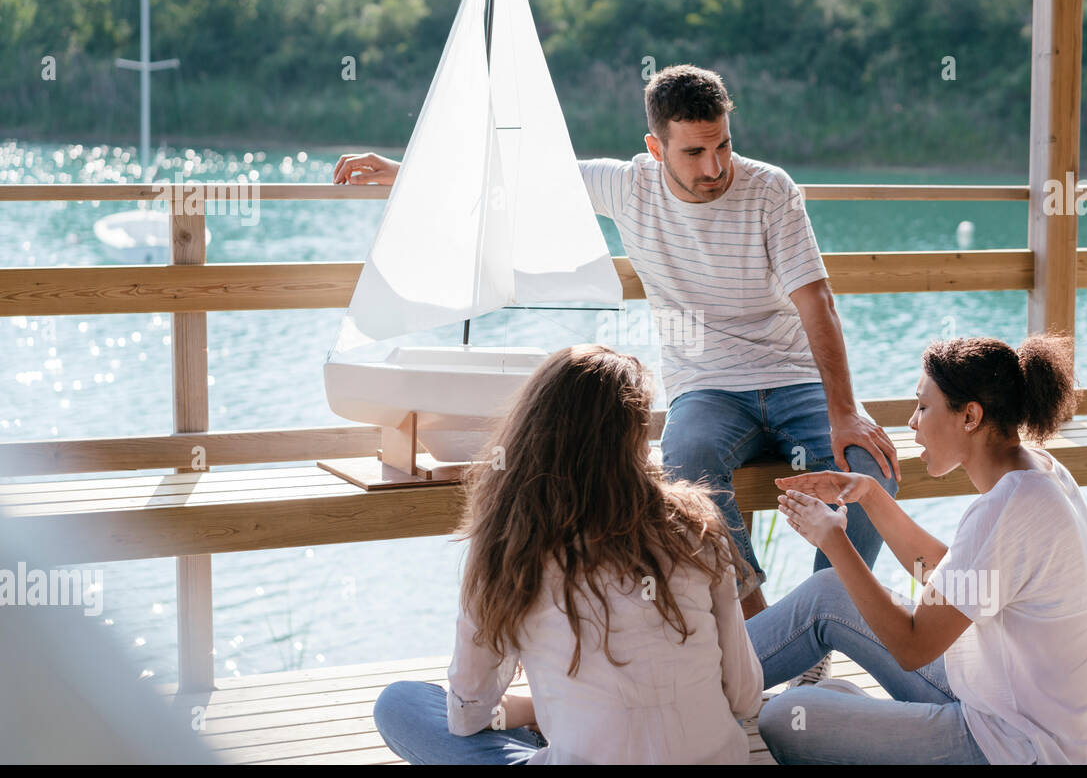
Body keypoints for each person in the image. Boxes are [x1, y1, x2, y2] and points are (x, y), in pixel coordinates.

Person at [335, 66, 900, 671]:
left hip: (796, 382)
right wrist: (405, 172)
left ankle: (826, 616)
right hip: (707, 390)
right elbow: (512, 179)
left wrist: (843, 411)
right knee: (686, 473)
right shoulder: (627, 187)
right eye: (694, 153)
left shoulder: (771, 190)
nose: (714, 168)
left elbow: (817, 303)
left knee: (874, 471)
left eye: (723, 145)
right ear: (656, 149)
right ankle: (768, 636)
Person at [371, 344, 763, 764]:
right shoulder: (695, 526)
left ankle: (558, 727)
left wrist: (529, 709)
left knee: (401, 703)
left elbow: (467, 716)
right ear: (634, 438)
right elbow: (745, 698)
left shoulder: (509, 546)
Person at [746, 334, 1087, 764]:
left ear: (970, 416)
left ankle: (698, 690)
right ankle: (701, 681)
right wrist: (868, 494)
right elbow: (948, 576)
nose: (912, 422)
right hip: (990, 698)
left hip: (1014, 748)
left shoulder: (1007, 509)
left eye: (922, 406)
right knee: (830, 592)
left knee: (788, 717)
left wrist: (833, 540)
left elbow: (913, 646)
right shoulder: (1039, 473)